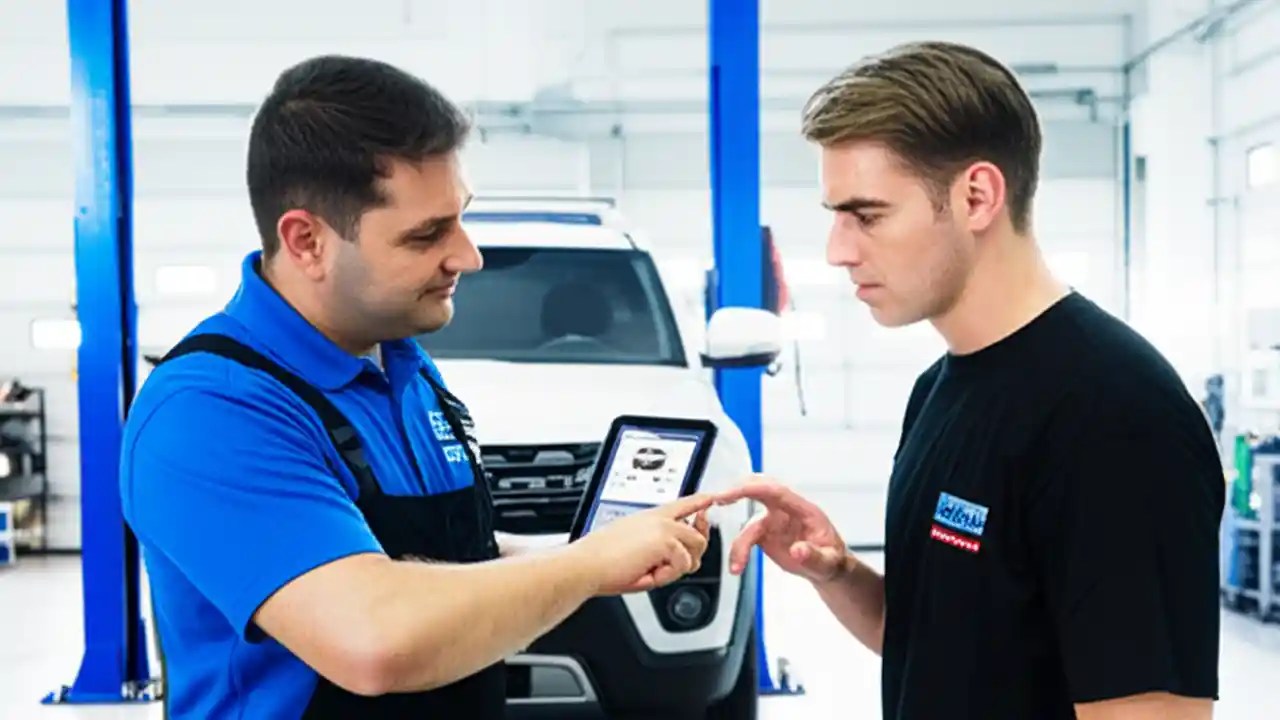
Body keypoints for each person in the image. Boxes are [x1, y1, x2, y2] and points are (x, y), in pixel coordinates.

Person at [119, 55, 712, 720]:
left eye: (460, 218)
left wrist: (593, 551)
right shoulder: (211, 411)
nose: (469, 256)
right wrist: (585, 569)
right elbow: (374, 640)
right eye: (428, 234)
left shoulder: (402, 365)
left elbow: (451, 554)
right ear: (306, 240)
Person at [716, 41, 1224, 720]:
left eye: (866, 215)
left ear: (977, 196)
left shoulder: (1115, 415)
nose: (838, 250)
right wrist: (835, 573)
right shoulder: (940, 390)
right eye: (836, 216)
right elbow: (937, 646)